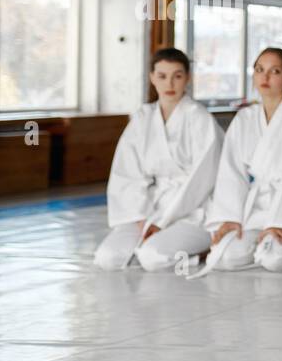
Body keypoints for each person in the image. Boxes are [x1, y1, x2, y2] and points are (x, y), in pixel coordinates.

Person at [94, 48, 222, 272]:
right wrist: (141, 216)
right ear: (152, 77)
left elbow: (202, 180)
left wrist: (163, 221)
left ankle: (205, 250)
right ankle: (150, 239)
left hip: (194, 210)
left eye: (177, 76)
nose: (169, 83)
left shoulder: (200, 118)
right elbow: (127, 174)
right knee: (108, 257)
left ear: (188, 78)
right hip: (151, 205)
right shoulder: (143, 118)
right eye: (162, 76)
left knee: (153, 258)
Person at [202, 48, 282, 273]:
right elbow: (231, 171)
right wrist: (230, 217)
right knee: (226, 258)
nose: (265, 77)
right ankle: (260, 245)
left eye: (274, 71)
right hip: (255, 207)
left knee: (275, 260)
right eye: (259, 70)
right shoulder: (244, 118)